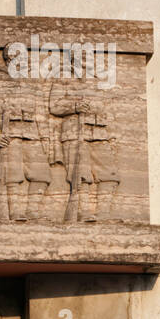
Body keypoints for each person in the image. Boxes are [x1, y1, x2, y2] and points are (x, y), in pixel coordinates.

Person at [0, 44, 52, 222]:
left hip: (32, 131)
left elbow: (41, 111)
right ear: (7, 58)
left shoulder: (33, 79)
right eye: (12, 56)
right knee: (12, 175)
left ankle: (33, 211)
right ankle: (16, 212)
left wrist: (46, 139)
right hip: (8, 130)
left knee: (41, 174)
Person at [49, 74, 119, 222]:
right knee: (81, 175)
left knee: (110, 174)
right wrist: (74, 107)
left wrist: (112, 134)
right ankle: (83, 212)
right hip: (74, 132)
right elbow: (54, 106)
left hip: (100, 132)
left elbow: (109, 107)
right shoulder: (63, 79)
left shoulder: (98, 80)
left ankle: (104, 213)